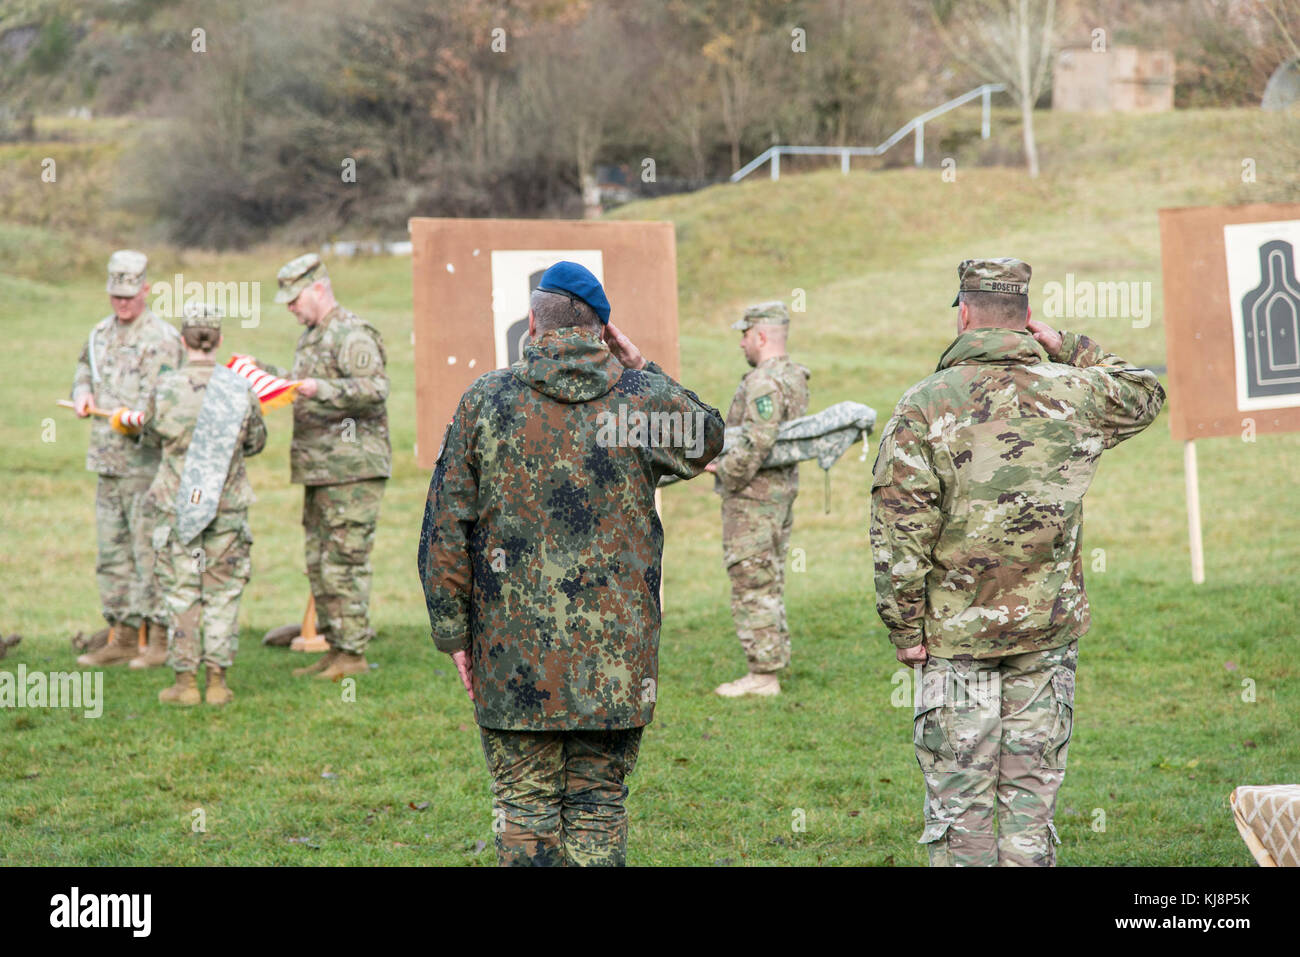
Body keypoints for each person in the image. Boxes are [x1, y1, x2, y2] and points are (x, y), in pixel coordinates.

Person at [419, 261, 725, 866]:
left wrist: (454, 633)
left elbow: (445, 527)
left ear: (532, 323)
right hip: (616, 658)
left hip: (511, 655)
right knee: (599, 806)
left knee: (525, 809)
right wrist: (643, 367)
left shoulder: (485, 399)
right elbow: (710, 437)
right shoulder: (641, 400)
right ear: (603, 329)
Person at [870, 258, 1166, 866]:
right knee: (1032, 801)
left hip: (954, 639)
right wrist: (1068, 345)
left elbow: (901, 532)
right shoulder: (1074, 392)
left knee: (961, 809)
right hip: (1046, 631)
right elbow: (1145, 391)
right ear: (1026, 317)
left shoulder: (925, 405)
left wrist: (904, 628)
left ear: (964, 312)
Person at [254, 254, 390, 680]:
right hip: (321, 469)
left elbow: (375, 388)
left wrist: (320, 388)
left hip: (352, 470)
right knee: (319, 560)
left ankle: (353, 653)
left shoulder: (351, 333)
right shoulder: (312, 337)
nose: (290, 308)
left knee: (344, 561)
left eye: (294, 300)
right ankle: (335, 646)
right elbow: (301, 384)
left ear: (318, 289)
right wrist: (263, 373)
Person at [132, 303, 267, 705]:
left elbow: (150, 435)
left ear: (182, 340)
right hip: (226, 507)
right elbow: (256, 442)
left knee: (182, 594)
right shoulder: (238, 387)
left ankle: (185, 684)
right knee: (223, 594)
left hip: (178, 506)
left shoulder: (166, 387)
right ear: (220, 341)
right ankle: (218, 682)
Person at [72, 250, 185, 670]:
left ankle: (158, 637)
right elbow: (84, 369)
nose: (122, 304)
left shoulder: (163, 338)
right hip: (106, 462)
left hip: (145, 465)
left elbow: (171, 400)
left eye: (130, 296)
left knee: (149, 552)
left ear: (146, 289)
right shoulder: (98, 334)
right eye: (115, 296)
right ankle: (120, 635)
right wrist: (83, 393)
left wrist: (137, 419)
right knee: (112, 552)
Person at [705, 301, 810, 698]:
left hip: (753, 499)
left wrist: (724, 472)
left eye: (744, 335)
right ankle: (770, 663)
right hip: (779, 494)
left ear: (761, 336)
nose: (741, 344)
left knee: (751, 579)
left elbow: (758, 440)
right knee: (770, 578)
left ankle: (763, 676)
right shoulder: (795, 377)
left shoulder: (764, 383)